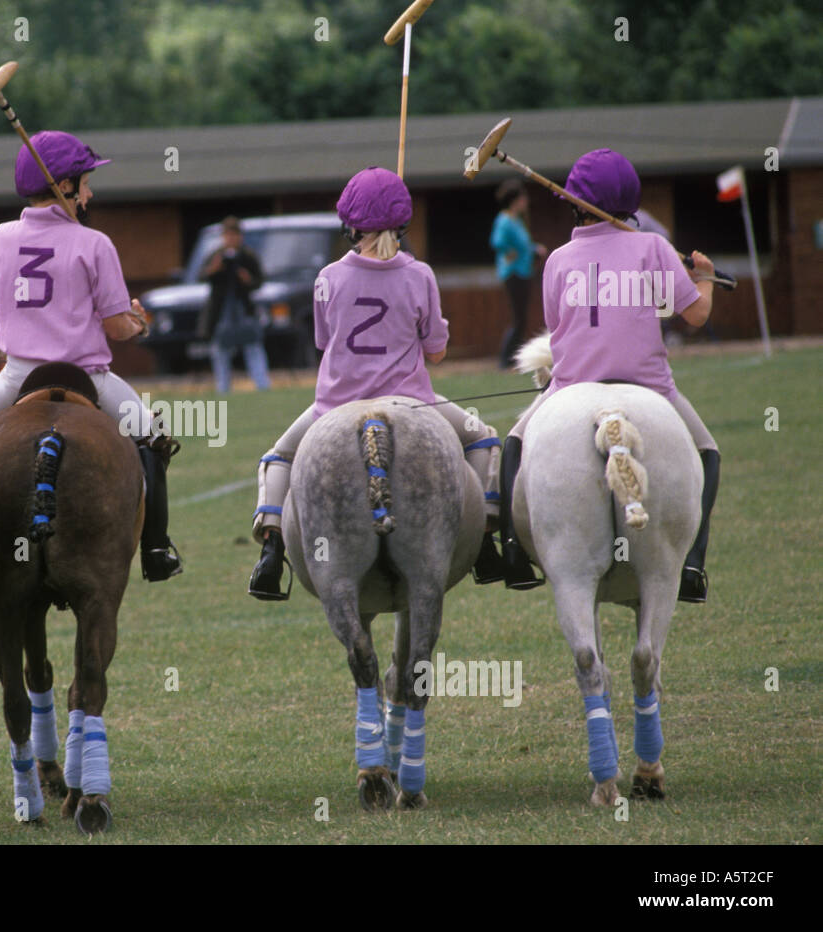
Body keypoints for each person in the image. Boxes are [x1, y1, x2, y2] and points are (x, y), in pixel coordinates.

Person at [0, 130, 182, 583]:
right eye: (84, 183)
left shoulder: (0, 237)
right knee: (151, 438)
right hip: (89, 378)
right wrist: (140, 322)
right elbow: (117, 327)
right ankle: (157, 548)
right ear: (63, 186)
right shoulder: (95, 243)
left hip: (18, 377)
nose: (89, 192)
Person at [248, 167, 505, 599]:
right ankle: (484, 541)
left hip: (336, 404)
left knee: (277, 458)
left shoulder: (327, 277)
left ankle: (271, 553)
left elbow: (323, 341)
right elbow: (436, 351)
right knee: (485, 439)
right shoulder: (420, 274)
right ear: (401, 222)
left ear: (351, 225)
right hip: (412, 401)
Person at [498, 148, 719, 603]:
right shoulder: (655, 248)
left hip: (571, 386)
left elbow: (556, 325)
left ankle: (514, 552)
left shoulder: (558, 259)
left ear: (577, 203)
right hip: (649, 386)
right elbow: (696, 314)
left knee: (514, 446)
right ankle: (693, 564)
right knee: (709, 453)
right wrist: (707, 279)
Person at [196, 217, 270, 394]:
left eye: (234, 235)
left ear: (240, 236)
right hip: (221, 312)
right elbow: (201, 276)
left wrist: (248, 280)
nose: (231, 239)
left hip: (244, 310)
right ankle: (223, 389)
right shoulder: (216, 256)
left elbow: (259, 280)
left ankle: (262, 385)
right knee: (220, 351)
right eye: (227, 235)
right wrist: (213, 270)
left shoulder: (247, 256)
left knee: (253, 346)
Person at [490, 180, 546, 369]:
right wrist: (509, 251)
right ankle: (505, 360)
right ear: (515, 200)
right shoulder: (505, 220)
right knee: (518, 318)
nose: (525, 202)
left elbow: (523, 245)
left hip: (524, 270)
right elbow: (497, 242)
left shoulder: (517, 221)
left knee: (521, 319)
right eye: (522, 198)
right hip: (513, 272)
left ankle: (513, 360)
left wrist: (534, 249)